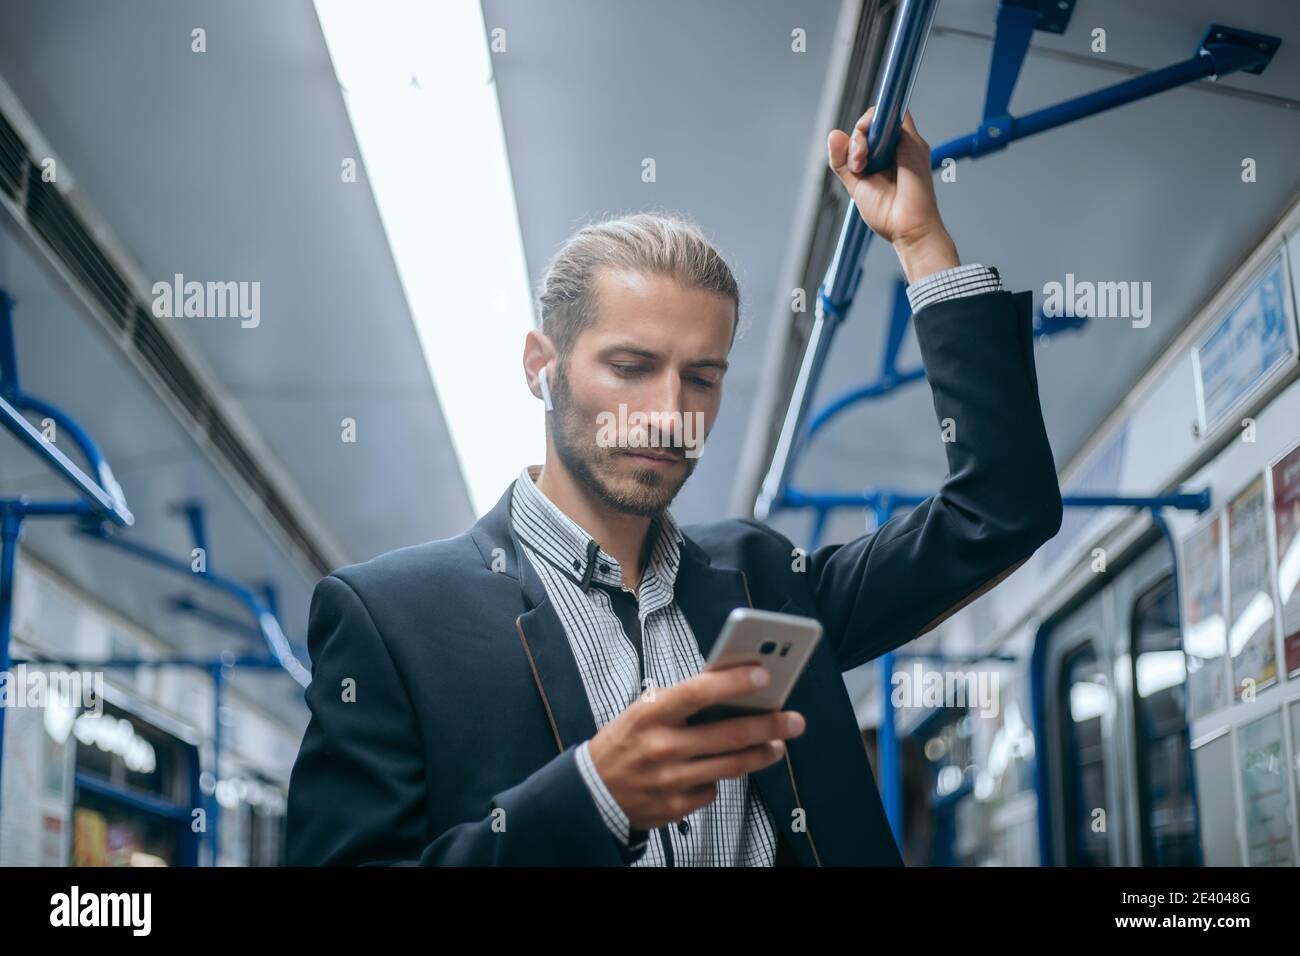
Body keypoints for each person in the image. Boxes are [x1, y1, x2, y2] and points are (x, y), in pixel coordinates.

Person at [285, 110, 1062, 866]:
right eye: (629, 369)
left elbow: (997, 512)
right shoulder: (394, 619)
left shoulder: (765, 582)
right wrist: (593, 799)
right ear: (541, 365)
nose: (668, 414)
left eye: (702, 377)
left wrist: (922, 242)